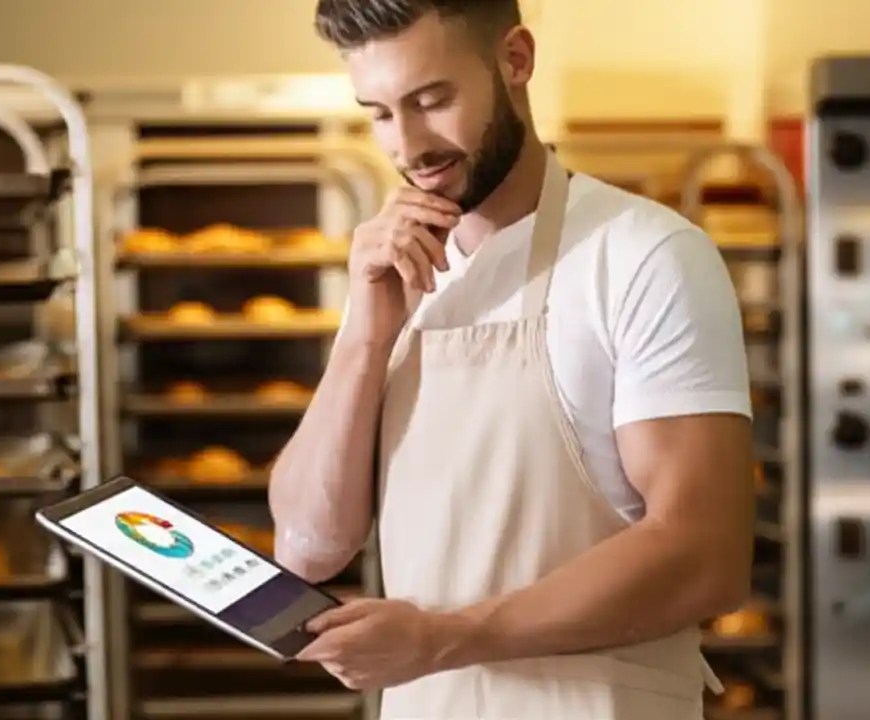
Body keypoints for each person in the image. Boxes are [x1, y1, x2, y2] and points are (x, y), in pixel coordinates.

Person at [267, 1, 756, 717]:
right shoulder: (395, 276)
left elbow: (704, 553)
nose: (407, 146)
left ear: (516, 60)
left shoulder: (645, 256)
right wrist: (367, 336)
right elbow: (308, 548)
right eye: (378, 113)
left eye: (431, 101)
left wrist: (444, 639)